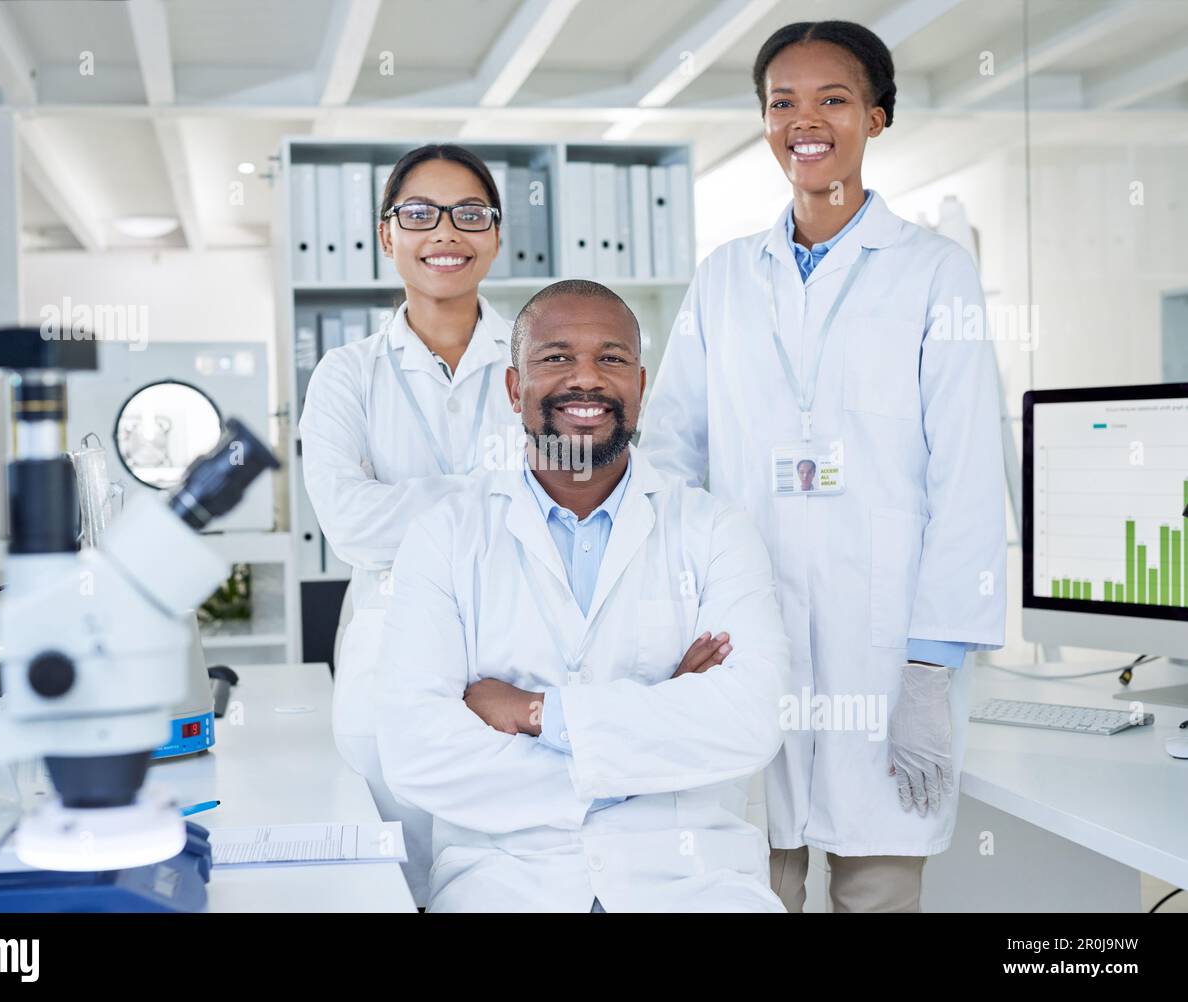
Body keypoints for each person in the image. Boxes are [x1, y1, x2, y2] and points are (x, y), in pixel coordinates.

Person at [639, 20, 1006, 912]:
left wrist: (929, 666)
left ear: (877, 117)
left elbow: (968, 475)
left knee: (876, 885)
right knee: (748, 884)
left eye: (832, 99)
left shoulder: (933, 273)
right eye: (781, 103)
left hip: (883, 649)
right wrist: (669, 611)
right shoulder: (726, 277)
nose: (805, 121)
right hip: (742, 640)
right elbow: (669, 455)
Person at [374, 280, 792, 912]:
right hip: (506, 880)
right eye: (556, 357)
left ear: (641, 388)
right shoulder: (446, 536)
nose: (587, 380)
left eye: (612, 358)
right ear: (515, 389)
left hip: (690, 880)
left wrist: (539, 714)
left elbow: (749, 723)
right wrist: (658, 720)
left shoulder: (714, 532)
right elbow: (416, 750)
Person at [299, 143, 519, 905]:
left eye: (470, 214)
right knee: (396, 888)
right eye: (419, 214)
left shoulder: (544, 359)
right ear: (387, 235)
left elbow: (581, 500)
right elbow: (351, 528)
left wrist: (423, 505)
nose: (445, 234)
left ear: (497, 233)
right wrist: (498, 493)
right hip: (386, 668)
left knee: (505, 880)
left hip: (522, 658)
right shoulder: (346, 375)